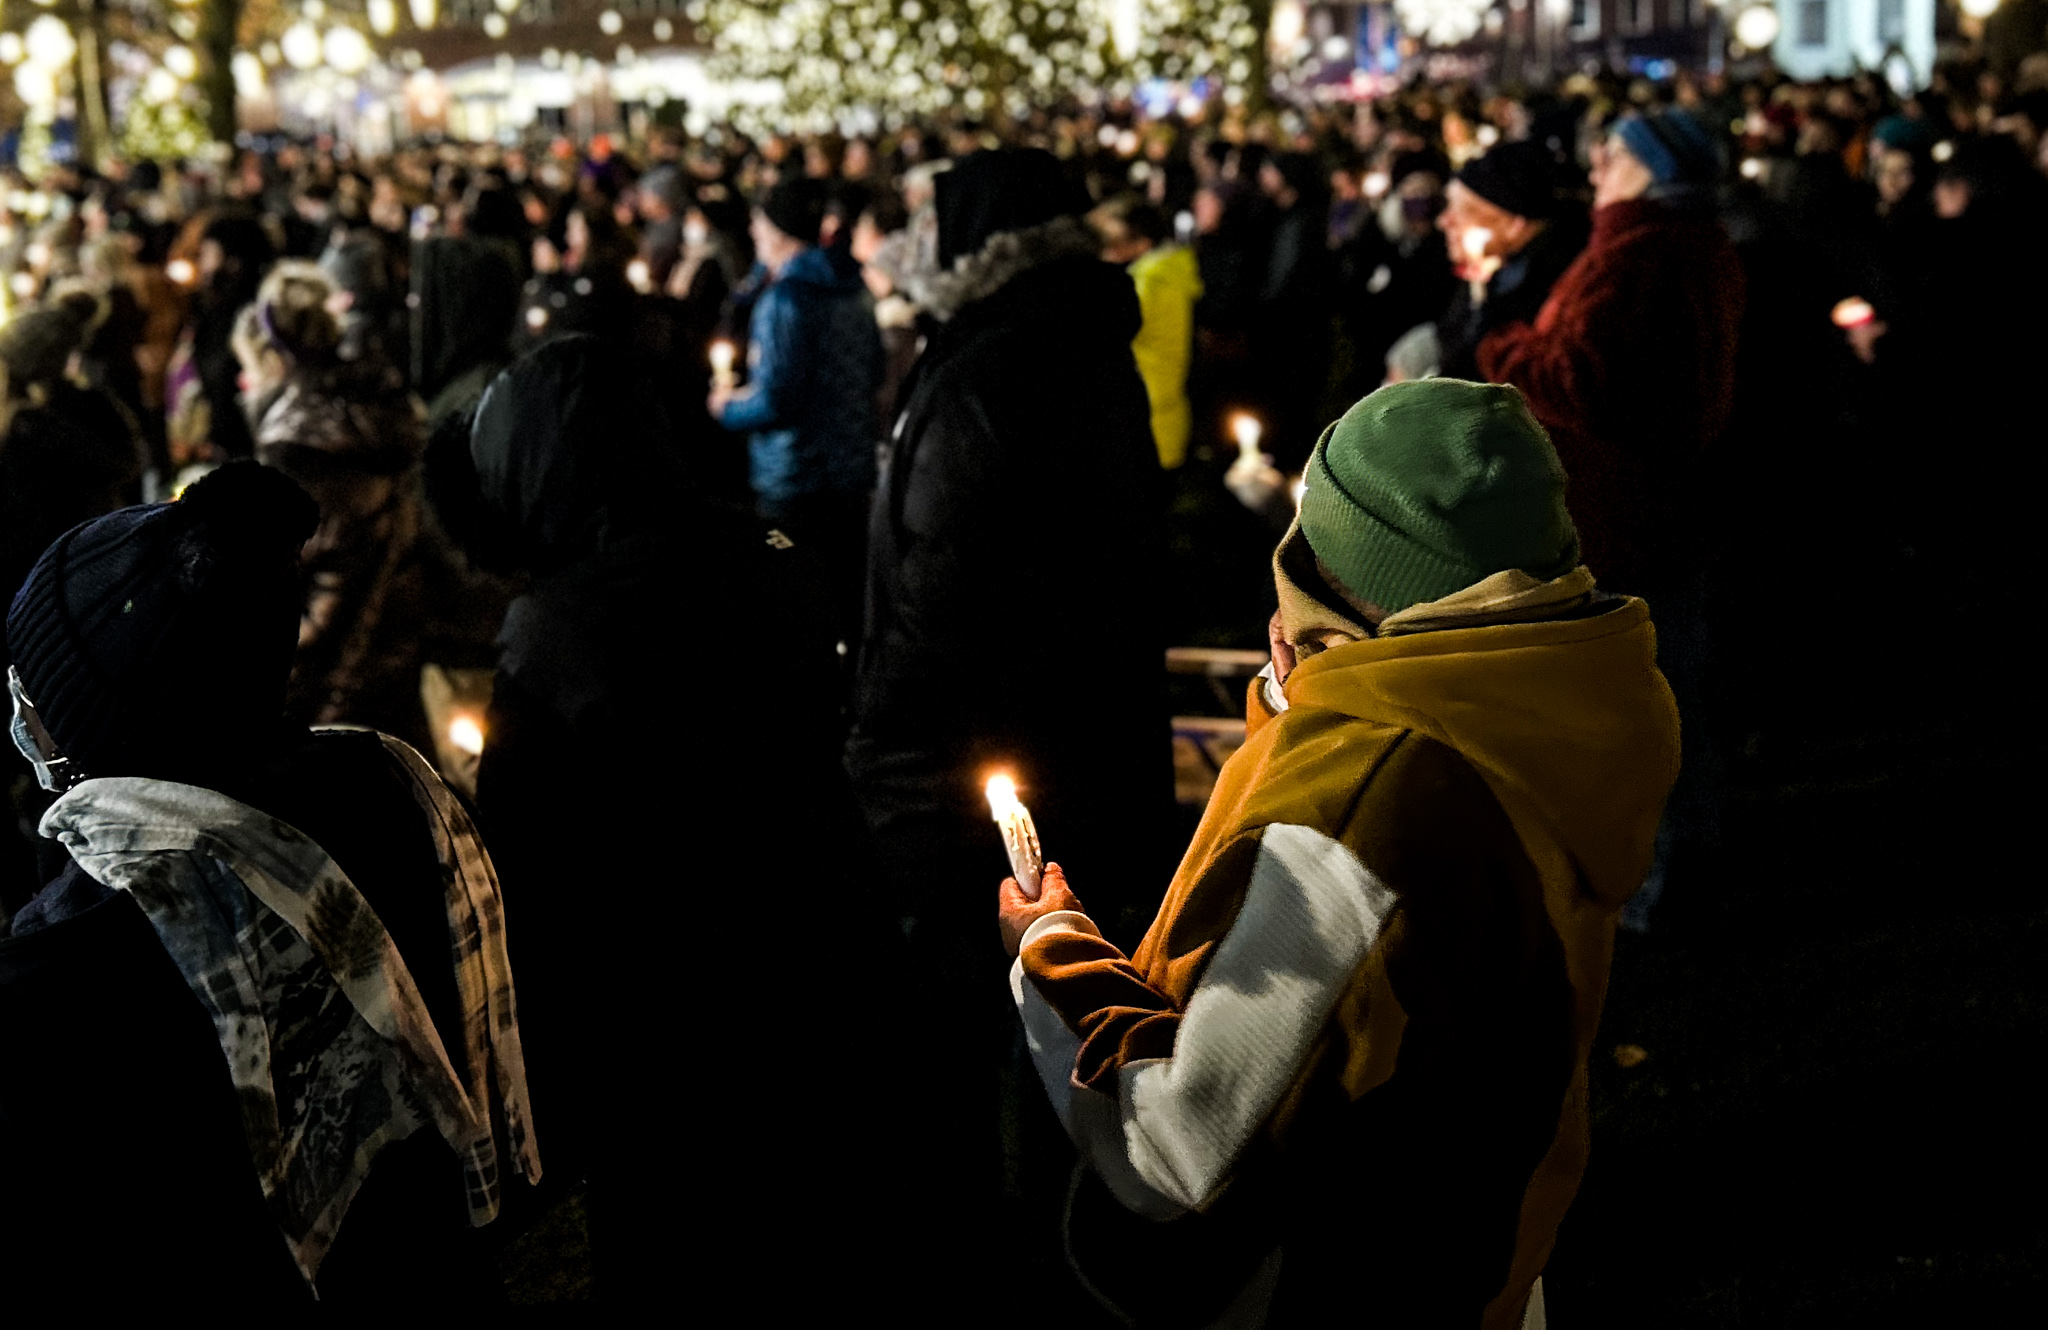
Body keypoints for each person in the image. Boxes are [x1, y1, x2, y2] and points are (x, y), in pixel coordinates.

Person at [1000, 379, 1679, 1328]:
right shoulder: (1551, 700)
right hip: (1477, 1256)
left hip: (1332, 1284)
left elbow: (1179, 1153)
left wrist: (1051, 950)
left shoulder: (1363, 813)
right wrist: (1312, 703)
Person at [1, 462, 536, 1309]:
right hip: (434, 1272)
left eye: (30, 692)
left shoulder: (79, 955)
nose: (18, 714)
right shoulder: (391, 780)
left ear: (90, 724)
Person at [440, 334, 872, 1305]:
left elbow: (530, 857)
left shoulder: (558, 627)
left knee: (679, 1242)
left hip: (661, 1003)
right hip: (811, 946)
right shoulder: (769, 549)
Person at [846, 149, 1173, 1312]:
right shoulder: (1057, 335)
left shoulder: (998, 368)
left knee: (998, 1023)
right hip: (1065, 734)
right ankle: (1060, 1224)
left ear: (982, 235)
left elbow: (945, 588)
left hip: (984, 762)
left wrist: (882, 752)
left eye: (933, 214)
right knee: (1046, 1014)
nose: (913, 232)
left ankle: (1028, 1253)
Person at [1476, 108, 1744, 929]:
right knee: (1668, 696)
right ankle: (1676, 859)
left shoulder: (1636, 256)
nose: (1594, 165)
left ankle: (1652, 880)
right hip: (1661, 508)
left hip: (1625, 514)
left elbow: (1586, 377)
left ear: (1649, 170)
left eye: (1612, 154)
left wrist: (1503, 341)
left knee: (1635, 706)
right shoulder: (1685, 247)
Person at [235, 262, 505, 755]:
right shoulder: (377, 410)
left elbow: (317, 616)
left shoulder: (300, 454)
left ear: (271, 358)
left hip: (338, 707)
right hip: (400, 670)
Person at [708, 175, 883, 646]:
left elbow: (776, 400)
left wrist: (727, 409)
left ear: (778, 230)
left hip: (793, 481)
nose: (753, 234)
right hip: (849, 473)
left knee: (789, 593)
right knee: (846, 596)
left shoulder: (785, 299)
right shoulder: (855, 287)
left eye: (759, 224)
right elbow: (873, 371)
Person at [1433, 139, 1588, 382]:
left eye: (1460, 211)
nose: (1443, 221)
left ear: (1514, 225)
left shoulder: (1551, 284)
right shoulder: (1497, 269)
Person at [1090, 194, 1203, 470]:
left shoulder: (1148, 285)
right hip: (1159, 416)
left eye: (1113, 244)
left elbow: (1099, 334)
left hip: (1145, 421)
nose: (1105, 252)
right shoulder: (1164, 274)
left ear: (1141, 244)